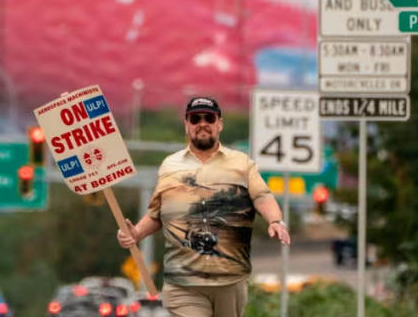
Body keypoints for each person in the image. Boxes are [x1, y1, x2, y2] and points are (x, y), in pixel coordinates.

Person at [117, 96, 290, 317]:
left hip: (231, 279)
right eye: (195, 118)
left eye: (209, 117)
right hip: (183, 282)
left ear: (219, 123)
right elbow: (157, 214)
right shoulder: (170, 166)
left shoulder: (241, 163)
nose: (202, 123)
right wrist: (136, 233)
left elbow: (262, 196)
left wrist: (275, 220)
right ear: (187, 125)